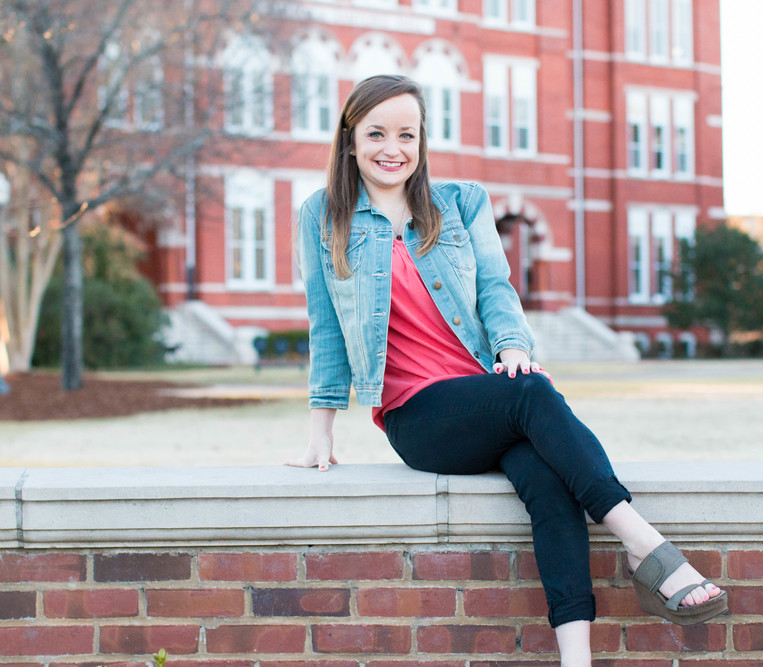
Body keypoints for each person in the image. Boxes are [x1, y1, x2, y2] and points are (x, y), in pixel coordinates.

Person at [287, 74, 727, 667]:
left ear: (422, 141)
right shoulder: (323, 216)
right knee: (532, 395)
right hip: (418, 417)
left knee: (550, 485)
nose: (393, 148)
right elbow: (326, 327)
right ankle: (644, 544)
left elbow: (496, 287)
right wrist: (322, 433)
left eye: (407, 134)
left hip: (484, 393)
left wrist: (513, 345)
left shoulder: (461, 202)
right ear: (350, 140)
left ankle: (577, 657)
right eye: (377, 134)